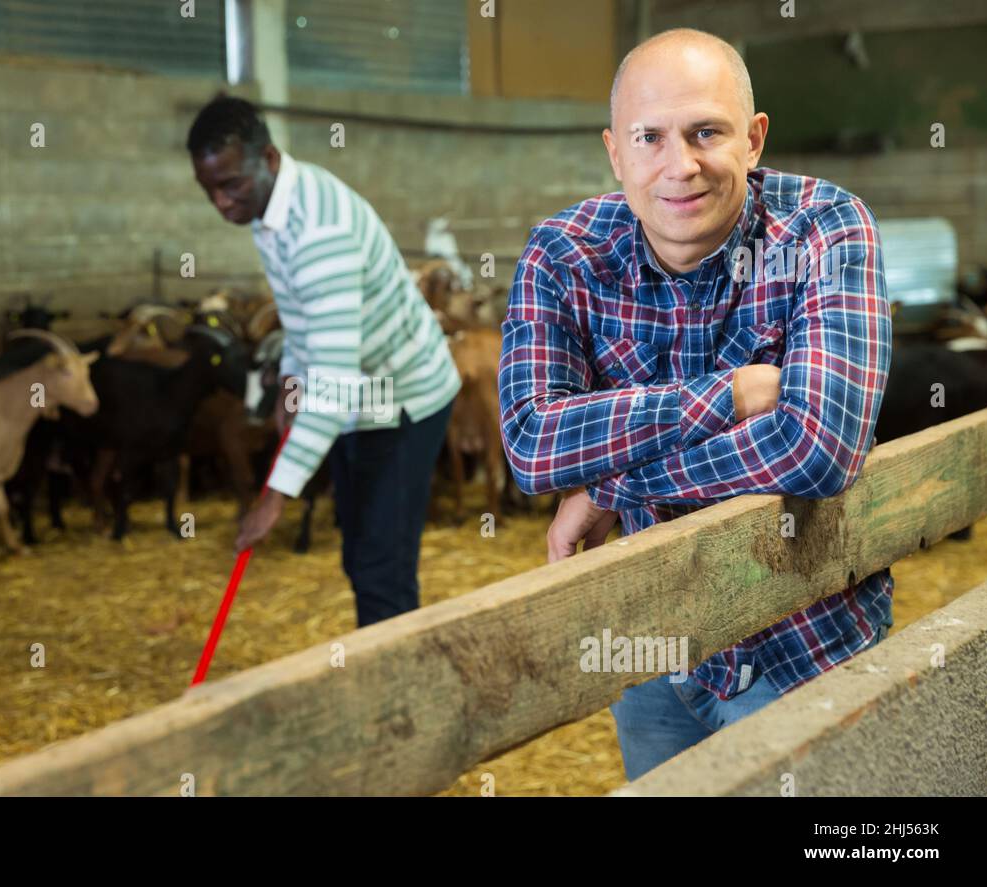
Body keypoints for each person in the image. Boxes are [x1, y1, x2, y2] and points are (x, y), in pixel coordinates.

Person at [498, 29, 893, 780]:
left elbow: (819, 445)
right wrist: (732, 395)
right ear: (616, 152)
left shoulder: (825, 229)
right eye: (650, 137)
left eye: (706, 131)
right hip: (652, 648)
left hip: (805, 645)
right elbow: (531, 445)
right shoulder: (563, 254)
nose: (678, 165)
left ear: (753, 138)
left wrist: (609, 483)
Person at [187, 96, 461, 627]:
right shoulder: (269, 211)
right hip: (359, 395)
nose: (221, 204)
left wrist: (274, 496)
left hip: (403, 397)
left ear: (267, 159)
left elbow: (333, 385)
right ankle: (374, 666)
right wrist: (292, 384)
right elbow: (301, 317)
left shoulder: (319, 232)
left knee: (382, 565)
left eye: (231, 186)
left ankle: (397, 697)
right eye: (209, 190)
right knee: (358, 550)